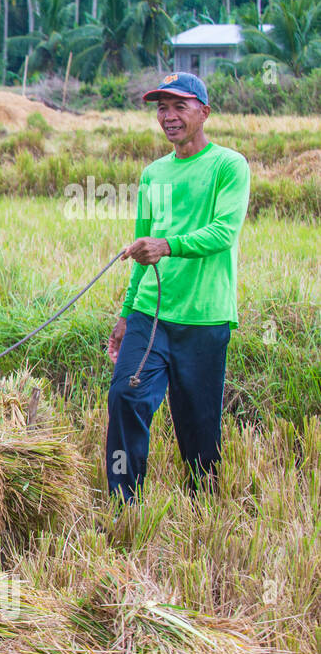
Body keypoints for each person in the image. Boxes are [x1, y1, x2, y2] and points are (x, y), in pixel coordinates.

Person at [105, 71, 251, 502]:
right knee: (125, 398)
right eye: (161, 108)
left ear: (203, 112)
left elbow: (223, 232)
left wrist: (168, 245)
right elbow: (142, 251)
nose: (168, 116)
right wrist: (126, 314)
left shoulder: (228, 165)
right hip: (152, 315)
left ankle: (203, 502)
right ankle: (124, 502)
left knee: (198, 424)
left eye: (178, 106)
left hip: (204, 317)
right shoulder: (153, 175)